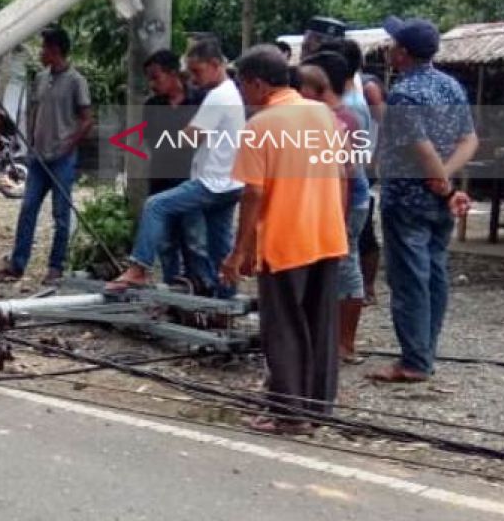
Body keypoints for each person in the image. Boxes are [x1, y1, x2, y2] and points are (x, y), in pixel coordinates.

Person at [222, 45, 348, 433]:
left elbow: (254, 194)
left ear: (258, 83)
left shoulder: (260, 126)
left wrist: (239, 251)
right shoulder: (323, 114)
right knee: (320, 324)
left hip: (285, 238)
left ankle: (289, 414)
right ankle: (317, 409)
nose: (242, 93)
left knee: (285, 328)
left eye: (242, 85)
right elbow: (341, 173)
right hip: (326, 234)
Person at [371, 17, 476, 384]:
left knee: (409, 279)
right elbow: (469, 140)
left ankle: (414, 361)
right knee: (434, 273)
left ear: (402, 53)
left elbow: (421, 148)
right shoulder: (451, 86)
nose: (388, 48)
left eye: (392, 43)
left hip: (407, 199)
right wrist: (446, 178)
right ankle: (424, 352)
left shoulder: (404, 94)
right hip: (437, 201)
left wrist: (441, 180)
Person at [109, 36, 245, 295]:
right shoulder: (229, 93)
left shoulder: (216, 96)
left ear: (215, 64)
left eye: (197, 71)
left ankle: (139, 268)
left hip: (211, 183)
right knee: (219, 248)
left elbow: (189, 138)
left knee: (156, 206)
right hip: (230, 182)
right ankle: (223, 304)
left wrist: (171, 134)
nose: (193, 77)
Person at [0, 26, 93, 284]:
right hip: (37, 158)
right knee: (27, 210)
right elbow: (33, 111)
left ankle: (56, 267)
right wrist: (31, 142)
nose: (40, 51)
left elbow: (87, 120)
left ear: (55, 50)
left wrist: (69, 145)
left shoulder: (76, 81)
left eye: (44, 47)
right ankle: (17, 264)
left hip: (61, 159)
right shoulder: (40, 78)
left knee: (60, 214)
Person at [298, 53, 371, 363]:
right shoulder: (333, 115)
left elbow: (346, 173)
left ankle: (345, 343)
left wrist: (337, 218)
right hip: (343, 200)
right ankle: (331, 338)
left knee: (347, 266)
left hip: (347, 202)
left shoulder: (343, 118)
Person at [321, 38, 385, 303]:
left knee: (352, 247)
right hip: (357, 172)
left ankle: (360, 295)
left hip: (354, 178)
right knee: (356, 242)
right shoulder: (351, 98)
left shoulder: (350, 104)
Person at [141, 49, 204, 286]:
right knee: (166, 244)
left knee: (195, 242)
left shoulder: (199, 100)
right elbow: (155, 143)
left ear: (172, 74)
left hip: (192, 181)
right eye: (150, 78)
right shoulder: (152, 105)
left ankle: (200, 293)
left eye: (156, 77)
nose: (152, 84)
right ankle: (171, 293)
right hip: (162, 180)